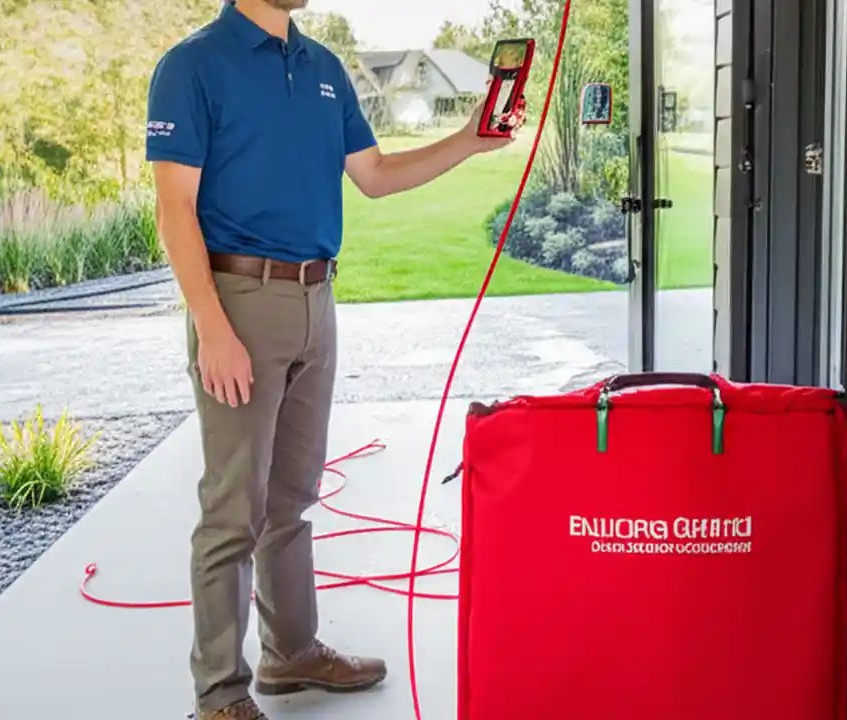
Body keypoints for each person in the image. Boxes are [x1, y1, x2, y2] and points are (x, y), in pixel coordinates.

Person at [145, 1, 521, 718]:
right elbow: (174, 209)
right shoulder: (192, 66)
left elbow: (375, 174)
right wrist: (212, 327)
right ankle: (219, 694)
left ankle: (291, 653)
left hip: (317, 297)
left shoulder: (322, 68)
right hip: (238, 301)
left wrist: (471, 139)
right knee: (233, 507)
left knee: (291, 495)